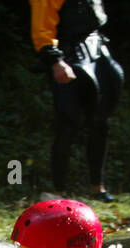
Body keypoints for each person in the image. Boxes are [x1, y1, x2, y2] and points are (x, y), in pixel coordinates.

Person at [29, 0, 123, 199]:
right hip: (67, 55)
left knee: (101, 121)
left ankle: (98, 187)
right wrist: (56, 61)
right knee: (67, 122)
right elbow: (42, 30)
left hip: (96, 49)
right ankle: (59, 191)